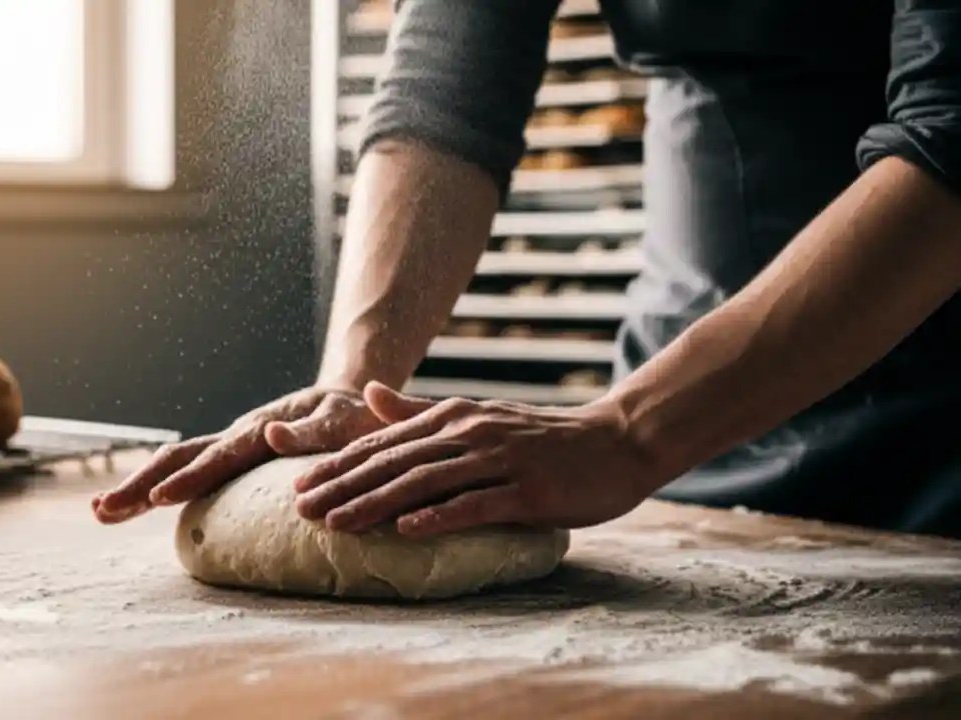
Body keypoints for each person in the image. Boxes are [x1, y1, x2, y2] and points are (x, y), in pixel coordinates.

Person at [94, 0, 961, 539]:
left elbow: (951, 138)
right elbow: (445, 93)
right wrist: (353, 387)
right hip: (677, 416)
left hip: (932, 428)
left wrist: (629, 434)